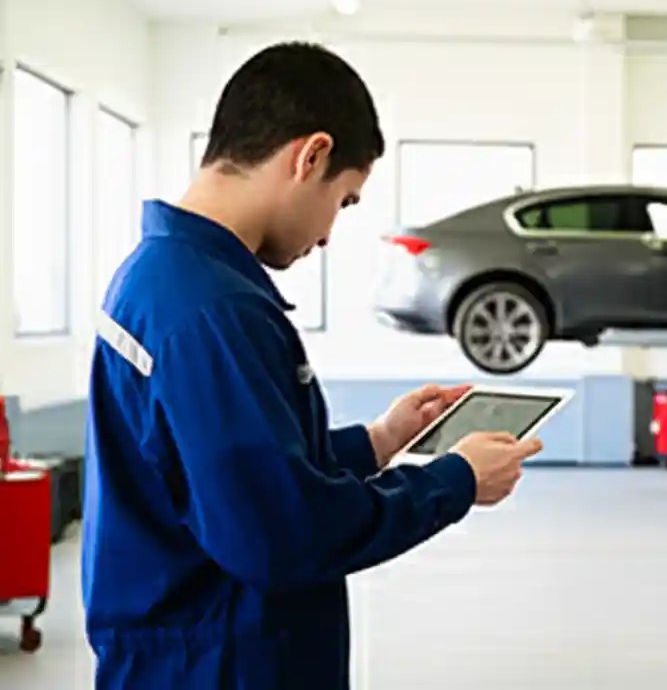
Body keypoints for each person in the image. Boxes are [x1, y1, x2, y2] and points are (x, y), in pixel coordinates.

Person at [81, 41, 541, 689]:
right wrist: (455, 481)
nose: (328, 233)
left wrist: (378, 442)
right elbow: (280, 535)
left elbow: (227, 474)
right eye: (345, 201)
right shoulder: (211, 309)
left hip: (192, 648)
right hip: (221, 664)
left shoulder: (161, 278)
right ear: (311, 155)